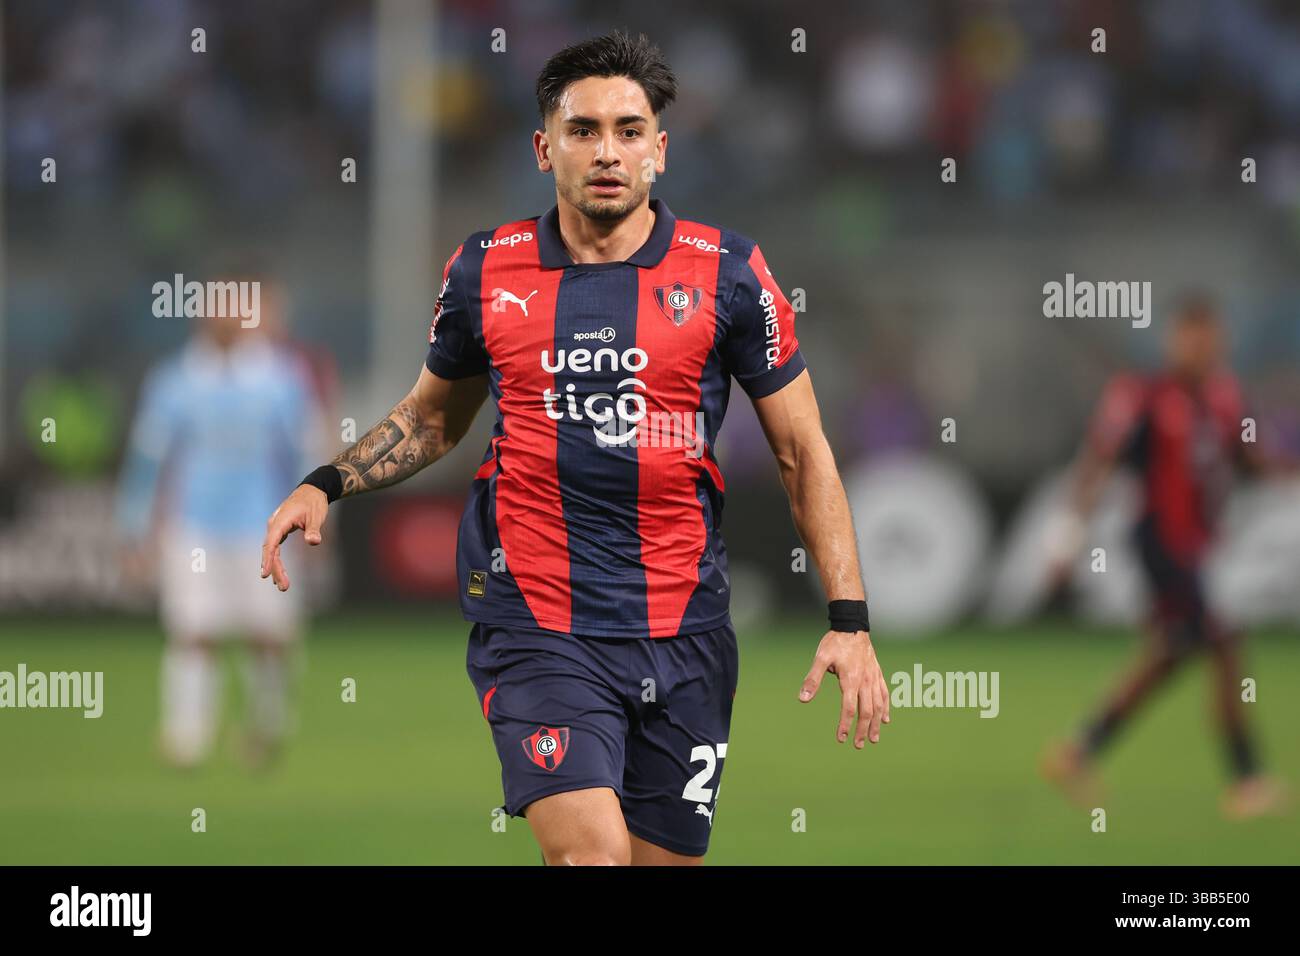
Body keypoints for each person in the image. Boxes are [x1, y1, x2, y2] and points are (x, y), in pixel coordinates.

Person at [261, 31, 889, 865]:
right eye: (582, 129)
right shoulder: (485, 271)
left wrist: (849, 619)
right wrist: (326, 482)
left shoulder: (729, 274)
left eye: (629, 131)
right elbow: (432, 420)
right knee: (591, 858)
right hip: (536, 622)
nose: (606, 151)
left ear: (659, 151)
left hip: (686, 628)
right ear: (543, 147)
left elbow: (803, 452)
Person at [1042, 294, 1293, 819]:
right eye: (1188, 334)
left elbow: (1252, 458)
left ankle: (1078, 751)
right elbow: (1097, 463)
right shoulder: (1142, 395)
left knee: (1172, 652)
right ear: (1172, 339)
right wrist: (1068, 536)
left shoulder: (1225, 398)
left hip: (1199, 547)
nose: (1198, 346)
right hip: (1158, 541)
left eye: (1207, 336)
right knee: (1224, 641)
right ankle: (1247, 781)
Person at [119, 273, 317, 769]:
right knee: (193, 631)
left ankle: (266, 727)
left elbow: (304, 455)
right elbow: (148, 460)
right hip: (195, 526)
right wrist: (134, 527)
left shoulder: (282, 378)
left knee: (267, 634)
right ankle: (187, 734)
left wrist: (315, 518)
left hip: (265, 523)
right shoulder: (175, 379)